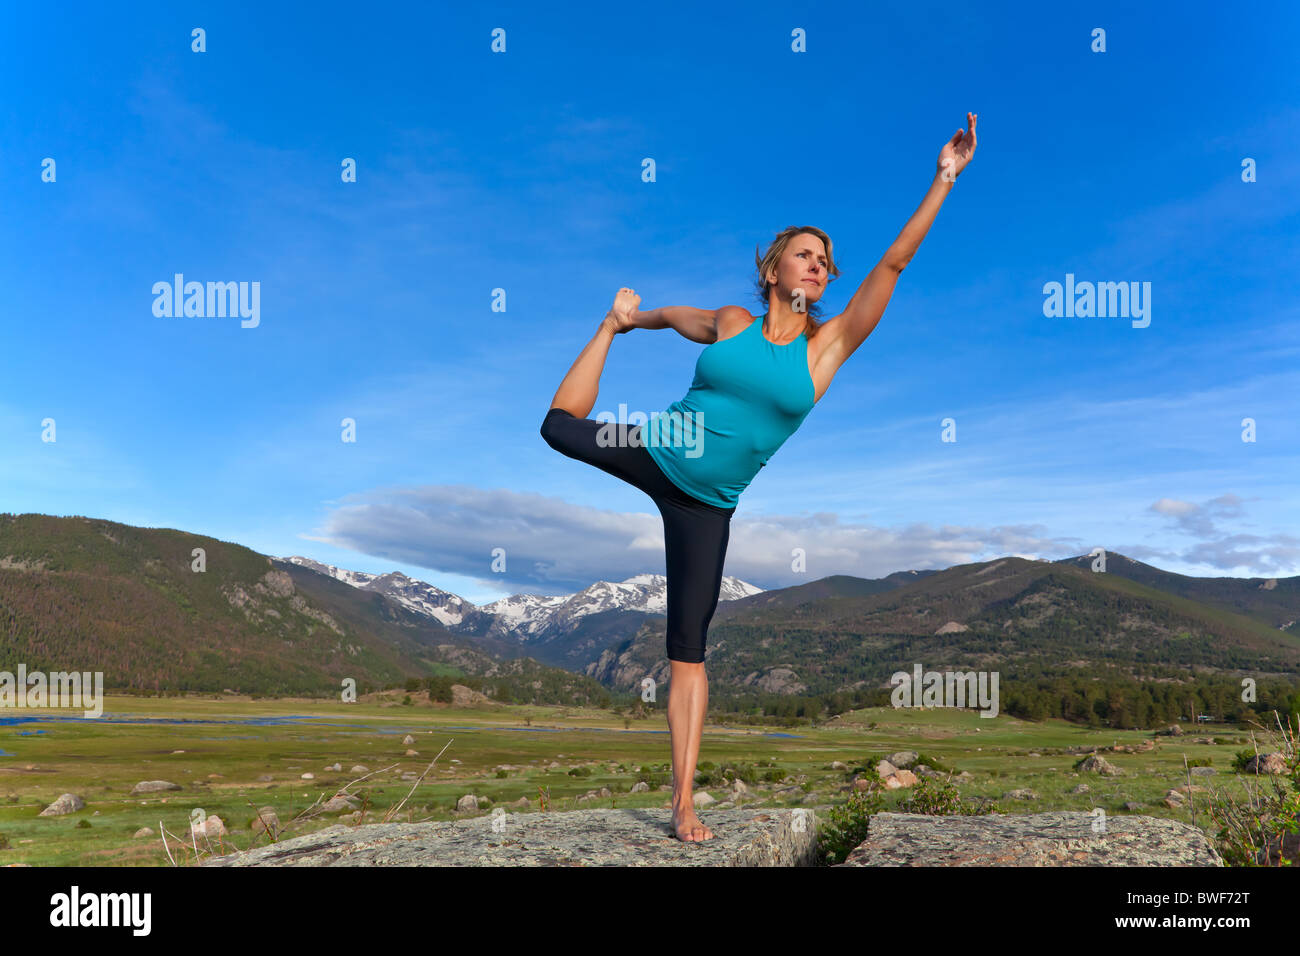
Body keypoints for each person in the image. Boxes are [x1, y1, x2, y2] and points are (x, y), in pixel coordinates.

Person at [540, 112, 978, 841]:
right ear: (774, 268)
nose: (817, 266)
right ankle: (597, 333)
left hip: (705, 506)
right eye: (804, 255)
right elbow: (675, 317)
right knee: (558, 426)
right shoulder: (732, 320)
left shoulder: (827, 347)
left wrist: (943, 179)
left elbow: (894, 265)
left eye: (825, 262)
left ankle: (681, 802)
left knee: (688, 647)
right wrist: (626, 320)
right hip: (654, 444)